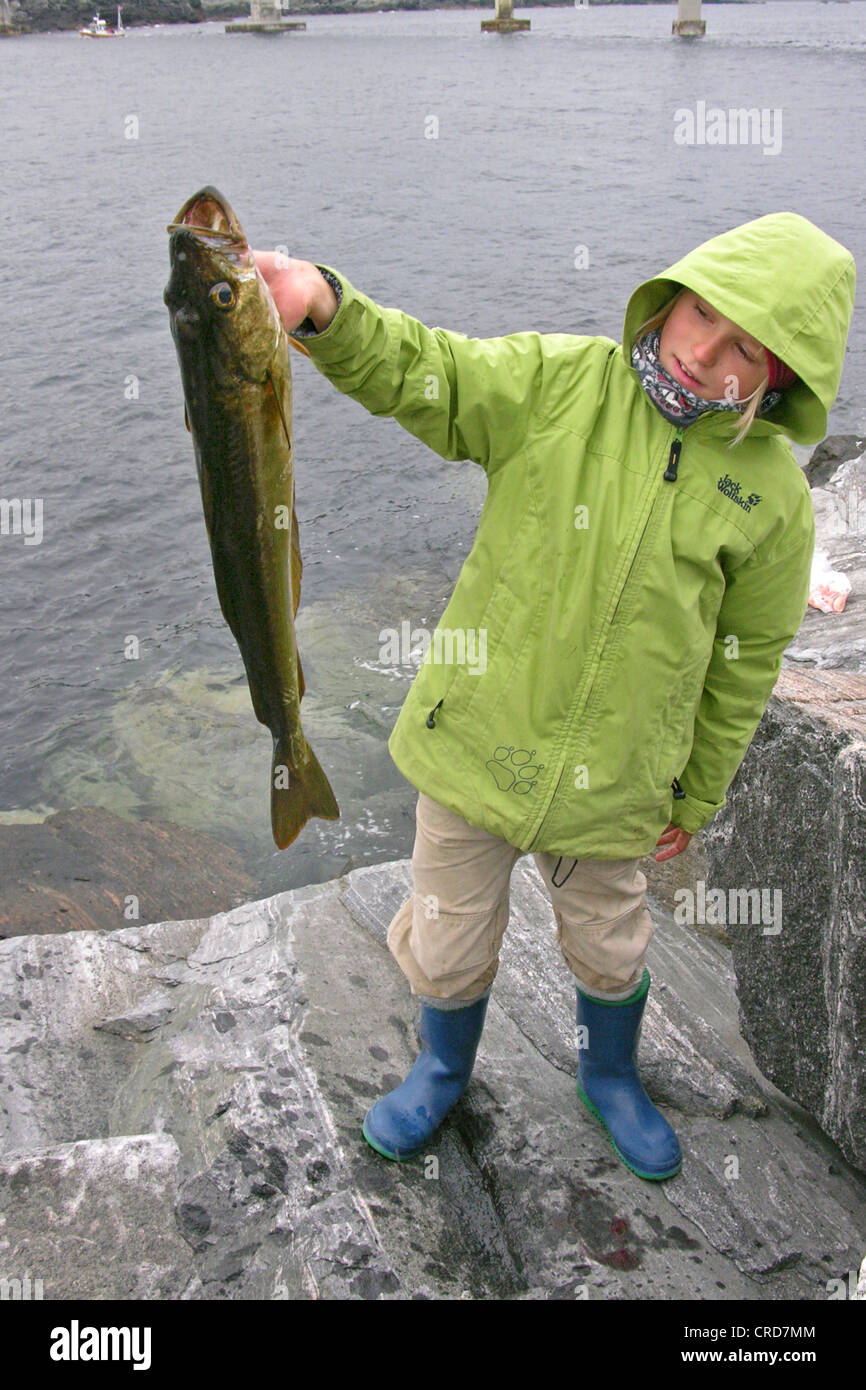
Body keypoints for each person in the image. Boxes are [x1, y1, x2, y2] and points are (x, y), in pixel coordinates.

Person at [254, 212, 855, 1181]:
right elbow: (428, 373)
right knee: (447, 934)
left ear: (780, 377)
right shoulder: (560, 384)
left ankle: (606, 1074)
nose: (703, 352)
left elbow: (743, 661)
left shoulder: (772, 500)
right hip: (474, 743)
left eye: (746, 345)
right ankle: (440, 1068)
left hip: (616, 782)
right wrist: (323, 309)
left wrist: (692, 795)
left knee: (609, 944)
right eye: (699, 313)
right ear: (669, 299)